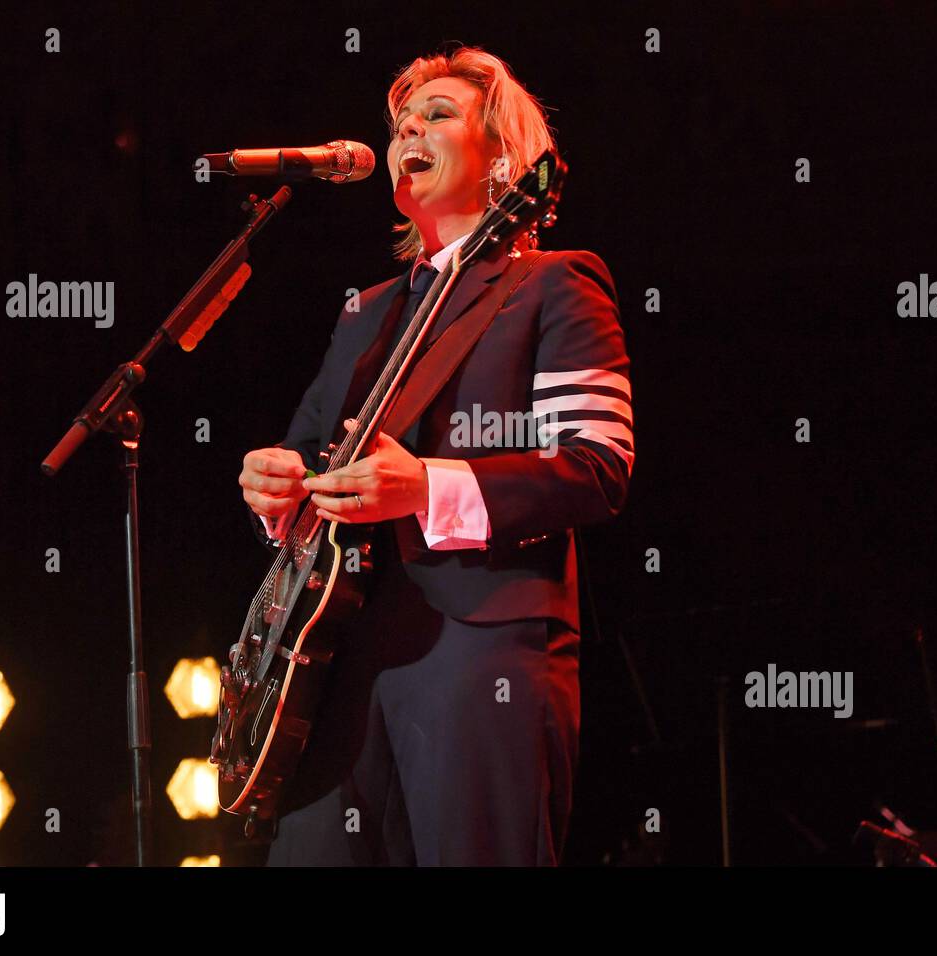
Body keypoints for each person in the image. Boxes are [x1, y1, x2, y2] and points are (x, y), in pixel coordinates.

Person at [238, 44, 633, 865]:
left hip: (477, 650)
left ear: (504, 160)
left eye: (439, 116)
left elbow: (597, 465)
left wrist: (425, 488)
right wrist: (276, 486)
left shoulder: (556, 285)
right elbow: (307, 458)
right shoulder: (366, 313)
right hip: (332, 664)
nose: (409, 131)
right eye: (402, 123)